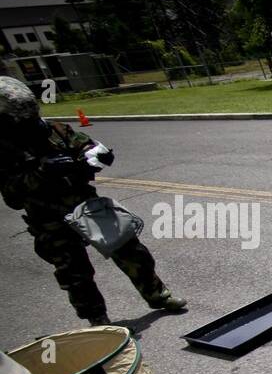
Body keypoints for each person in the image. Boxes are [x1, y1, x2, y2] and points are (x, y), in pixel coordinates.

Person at [0, 76, 186, 326]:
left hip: (87, 207)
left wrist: (96, 157)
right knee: (75, 274)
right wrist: (40, 173)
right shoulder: (4, 150)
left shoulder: (55, 130)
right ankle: (98, 320)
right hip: (49, 220)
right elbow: (11, 197)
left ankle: (156, 294)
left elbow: (89, 147)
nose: (32, 124)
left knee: (131, 251)